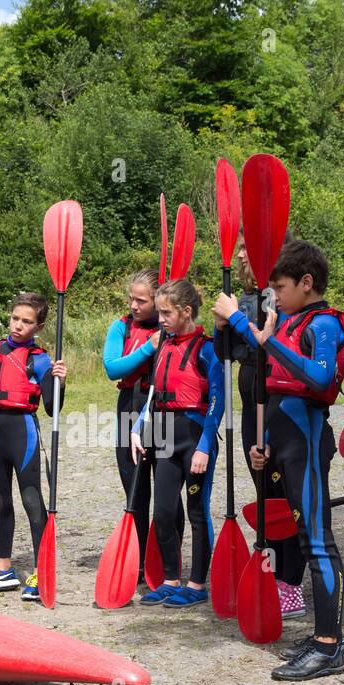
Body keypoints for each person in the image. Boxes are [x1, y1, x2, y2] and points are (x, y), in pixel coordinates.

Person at [213, 240, 344, 681]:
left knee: (317, 541)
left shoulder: (325, 323)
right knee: (305, 533)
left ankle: (330, 645)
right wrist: (265, 443)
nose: (272, 295)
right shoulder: (291, 320)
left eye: (279, 286)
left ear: (307, 283)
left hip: (309, 442)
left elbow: (318, 377)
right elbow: (275, 388)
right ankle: (324, 636)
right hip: (285, 442)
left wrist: (247, 325)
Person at [214, 233, 306, 618]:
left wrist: (236, 317)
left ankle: (292, 584)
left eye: (244, 247)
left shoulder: (282, 301)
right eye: (236, 248)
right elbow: (226, 355)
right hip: (253, 407)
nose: (237, 254)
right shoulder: (247, 296)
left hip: (282, 409)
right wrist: (222, 326)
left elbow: (272, 345)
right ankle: (272, 574)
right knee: (265, 494)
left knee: (287, 495)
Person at [130, 279, 224, 608]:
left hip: (195, 436)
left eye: (167, 313)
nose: (161, 319)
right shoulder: (163, 346)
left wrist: (205, 445)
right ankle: (171, 579)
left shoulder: (208, 349)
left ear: (186, 312)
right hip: (163, 434)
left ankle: (197, 584)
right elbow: (152, 395)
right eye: (159, 312)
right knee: (164, 511)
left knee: (198, 512)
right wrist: (137, 428)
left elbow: (218, 400)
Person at [0, 293, 66, 601]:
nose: (18, 325)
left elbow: (52, 408)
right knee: (0, 502)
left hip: (23, 435)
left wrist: (59, 382)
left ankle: (41, 571)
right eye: (15, 318)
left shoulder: (40, 359)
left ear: (39, 326)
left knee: (32, 503)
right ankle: (3, 569)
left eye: (26, 321)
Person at [101, 269, 181, 580]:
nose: (134, 306)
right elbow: (112, 368)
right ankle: (139, 562)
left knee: (167, 494)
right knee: (136, 492)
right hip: (130, 408)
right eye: (131, 299)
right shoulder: (120, 327)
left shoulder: (170, 326)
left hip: (162, 411)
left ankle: (169, 563)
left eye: (141, 300)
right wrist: (149, 346)